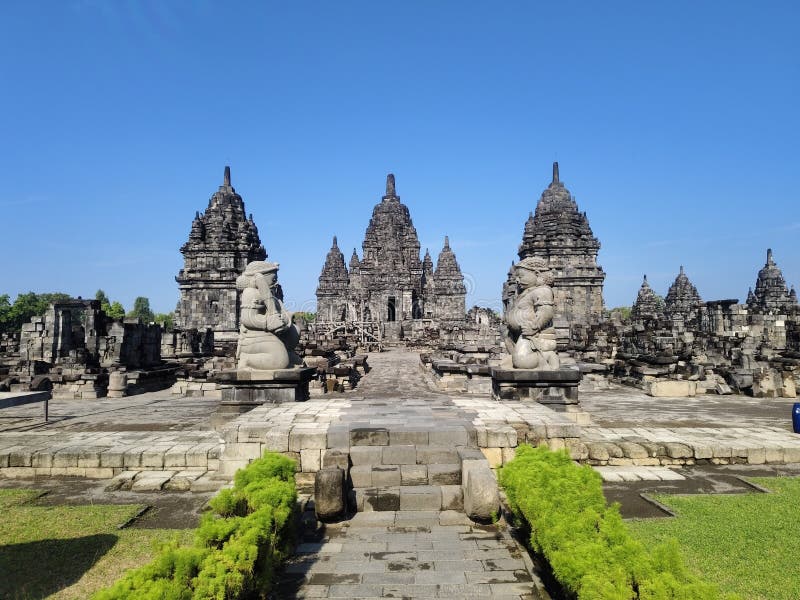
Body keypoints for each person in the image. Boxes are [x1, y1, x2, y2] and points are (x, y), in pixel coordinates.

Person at [236, 261, 302, 370]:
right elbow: (247, 319)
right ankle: (246, 359)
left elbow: (280, 312)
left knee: (295, 330)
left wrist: (285, 318)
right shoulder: (251, 293)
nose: (276, 283)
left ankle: (287, 352)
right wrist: (267, 322)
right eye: (273, 280)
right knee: (280, 361)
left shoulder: (271, 297)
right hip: (255, 336)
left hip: (271, 334)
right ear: (260, 278)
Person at [504, 257, 560, 370]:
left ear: (537, 274)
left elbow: (546, 312)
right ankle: (518, 360)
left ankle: (548, 357)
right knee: (513, 357)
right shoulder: (526, 292)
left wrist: (534, 326)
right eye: (516, 277)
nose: (517, 280)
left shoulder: (543, 291)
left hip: (535, 335)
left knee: (521, 361)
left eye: (521, 276)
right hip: (520, 334)